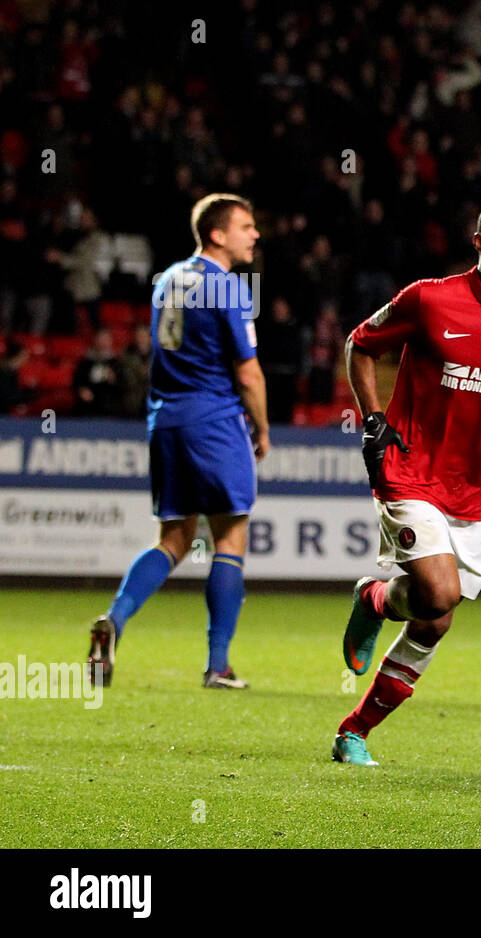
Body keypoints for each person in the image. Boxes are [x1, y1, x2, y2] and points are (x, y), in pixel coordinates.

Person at [331, 197, 481, 768]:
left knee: (435, 621)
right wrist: (372, 417)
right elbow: (359, 346)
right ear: (480, 241)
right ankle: (378, 598)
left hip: (473, 489)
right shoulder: (429, 299)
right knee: (439, 592)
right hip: (408, 469)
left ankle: (354, 726)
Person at [87, 193, 270, 690]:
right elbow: (248, 372)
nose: (254, 235)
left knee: (174, 538)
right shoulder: (228, 288)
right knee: (230, 537)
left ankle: (115, 620)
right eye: (246, 226)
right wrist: (264, 428)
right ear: (217, 233)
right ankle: (218, 665)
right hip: (214, 419)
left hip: (165, 421)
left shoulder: (167, 280)